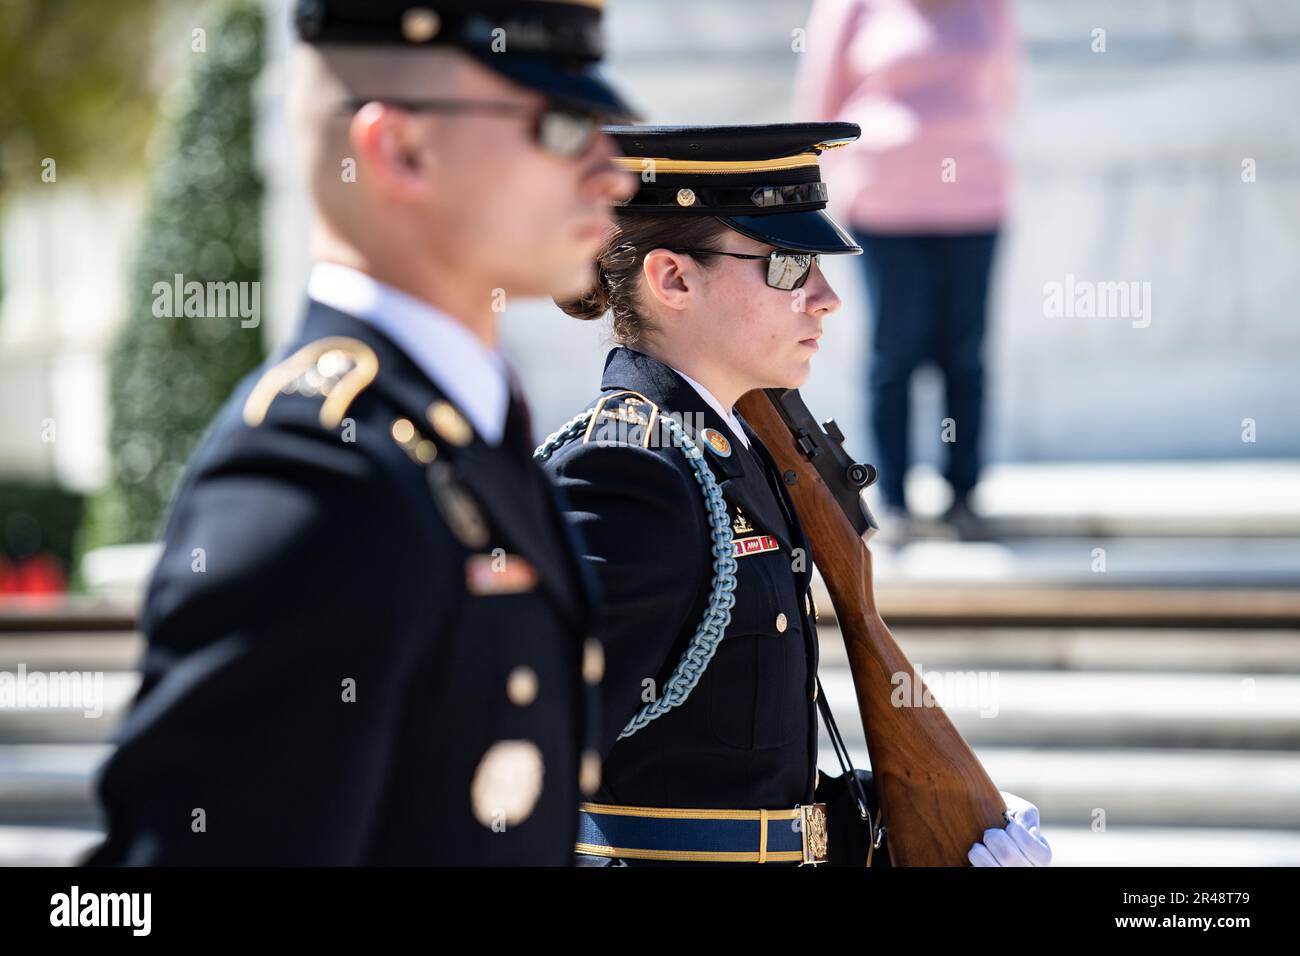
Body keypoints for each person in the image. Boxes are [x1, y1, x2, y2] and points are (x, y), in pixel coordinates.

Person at [85, 0, 637, 865]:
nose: (612, 172)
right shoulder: (316, 471)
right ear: (401, 150)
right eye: (567, 126)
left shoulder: (463, 430)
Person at [538, 123, 1050, 867]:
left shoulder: (745, 456)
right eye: (787, 267)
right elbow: (509, 778)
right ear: (673, 279)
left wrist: (919, 831)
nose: (827, 297)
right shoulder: (630, 472)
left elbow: (733, 775)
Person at [797, 0, 1019, 541]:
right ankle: (893, 499)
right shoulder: (851, 7)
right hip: (886, 210)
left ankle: (964, 496)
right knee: (894, 353)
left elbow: (1005, 90)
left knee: (964, 352)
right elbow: (820, 104)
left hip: (975, 205)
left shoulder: (990, 7)